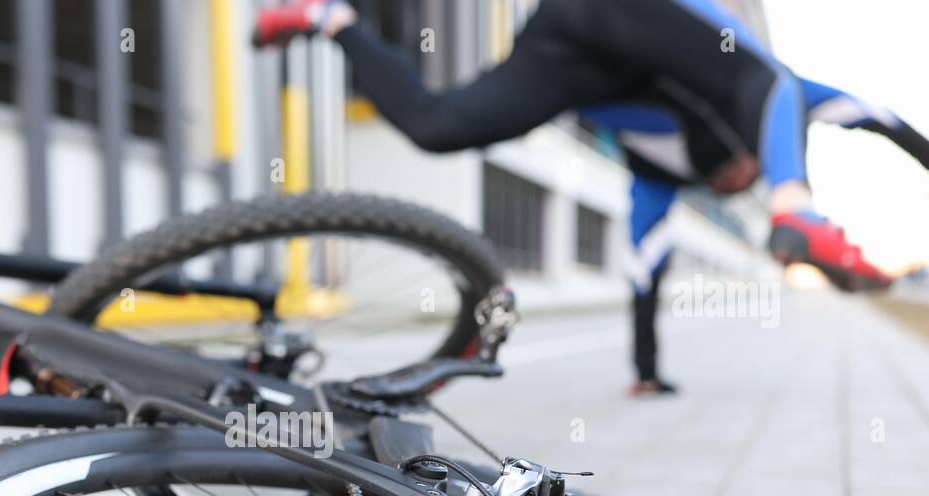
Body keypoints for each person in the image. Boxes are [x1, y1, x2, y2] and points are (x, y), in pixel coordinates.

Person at [253, 0, 929, 395]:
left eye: (737, 185)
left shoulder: (660, 179)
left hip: (565, 53)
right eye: (747, 174)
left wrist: (646, 374)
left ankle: (335, 20)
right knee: (765, 77)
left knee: (437, 126)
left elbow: (644, 269)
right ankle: (797, 211)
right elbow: (871, 111)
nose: (732, 179)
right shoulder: (755, 101)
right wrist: (793, 201)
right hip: (633, 13)